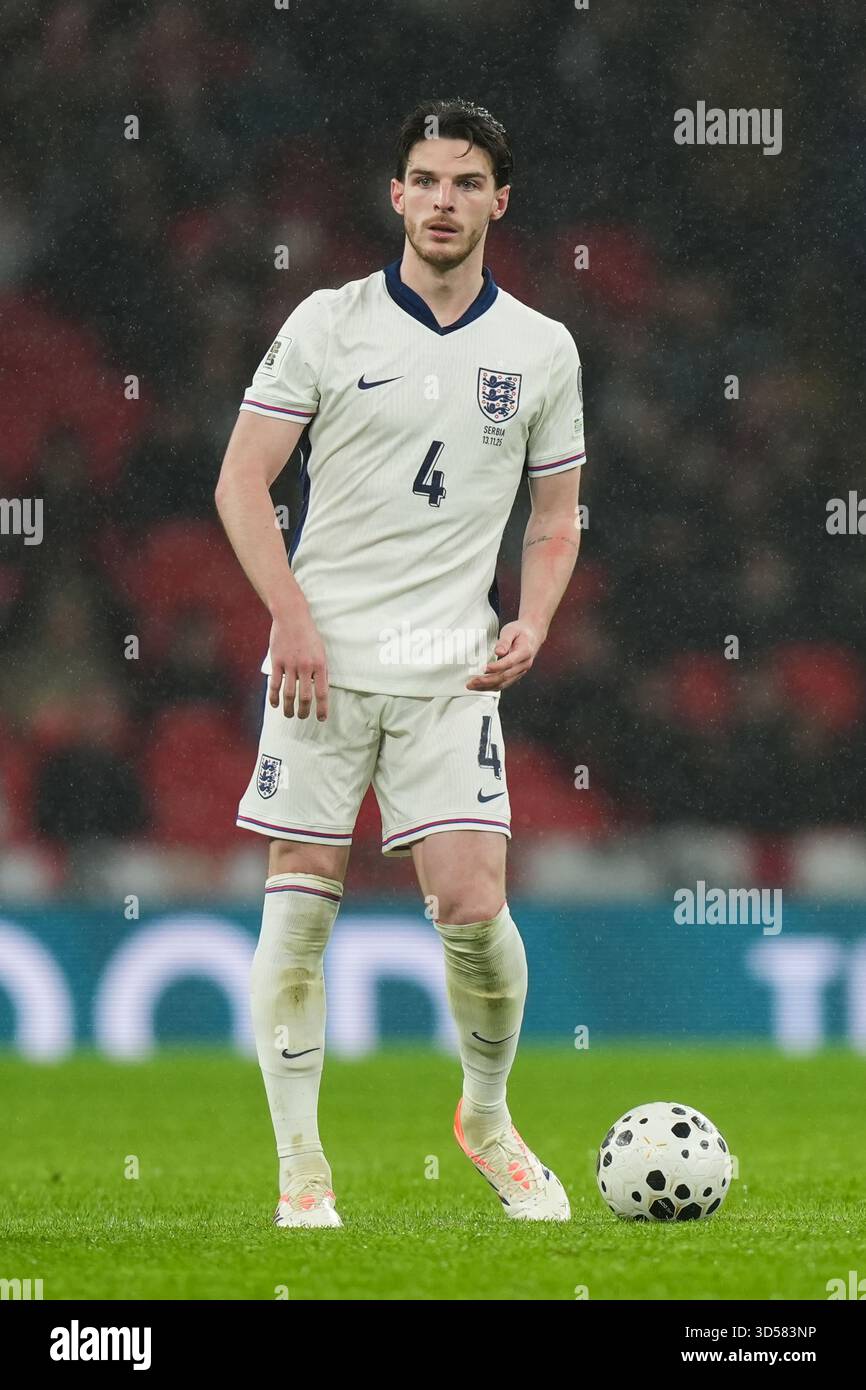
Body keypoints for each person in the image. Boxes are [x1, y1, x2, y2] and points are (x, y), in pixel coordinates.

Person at [215, 99, 586, 1228]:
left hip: (449, 670)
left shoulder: (538, 348)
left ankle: (483, 1117)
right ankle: (300, 1172)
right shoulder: (327, 323)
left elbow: (556, 515)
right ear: (393, 194)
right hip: (318, 665)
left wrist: (534, 616)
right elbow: (241, 481)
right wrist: (286, 615)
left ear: (498, 200)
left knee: (473, 907)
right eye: (423, 179)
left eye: (465, 183)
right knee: (299, 912)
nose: (441, 200)